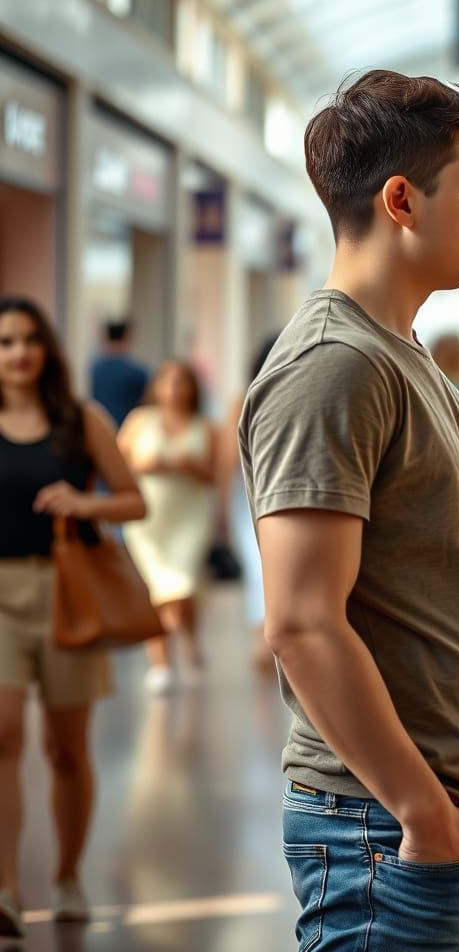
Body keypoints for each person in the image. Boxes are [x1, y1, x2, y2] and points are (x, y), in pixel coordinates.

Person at [239, 70, 459, 951]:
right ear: (402, 201)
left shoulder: (401, 352)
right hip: (393, 836)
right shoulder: (334, 364)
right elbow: (302, 623)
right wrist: (421, 810)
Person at [0, 297, 146, 936]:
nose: (19, 353)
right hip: (1, 594)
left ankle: (66, 876)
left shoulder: (80, 420)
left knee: (66, 748)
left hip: (68, 592)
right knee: (3, 735)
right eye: (6, 342)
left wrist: (84, 505)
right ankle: (6, 889)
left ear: (48, 349)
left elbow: (134, 502)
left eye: (30, 340)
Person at [119, 360, 216, 695]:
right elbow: (116, 465)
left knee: (181, 588)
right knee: (157, 590)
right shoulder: (139, 421)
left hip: (190, 519)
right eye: (168, 381)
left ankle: (188, 637)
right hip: (147, 522)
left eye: (182, 381)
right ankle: (161, 663)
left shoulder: (205, 427)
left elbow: (216, 475)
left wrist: (191, 466)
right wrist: (145, 465)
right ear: (156, 387)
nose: (175, 389)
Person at [219, 335, 278, 674]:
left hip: (249, 496)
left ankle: (264, 641)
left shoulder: (245, 400)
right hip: (251, 497)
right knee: (262, 570)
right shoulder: (246, 401)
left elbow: (226, 462)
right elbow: (228, 460)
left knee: (261, 570)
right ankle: (263, 642)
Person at [89, 320, 149, 427]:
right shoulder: (136, 371)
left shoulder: (96, 369)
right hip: (127, 426)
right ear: (126, 337)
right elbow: (147, 401)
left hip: (102, 425)